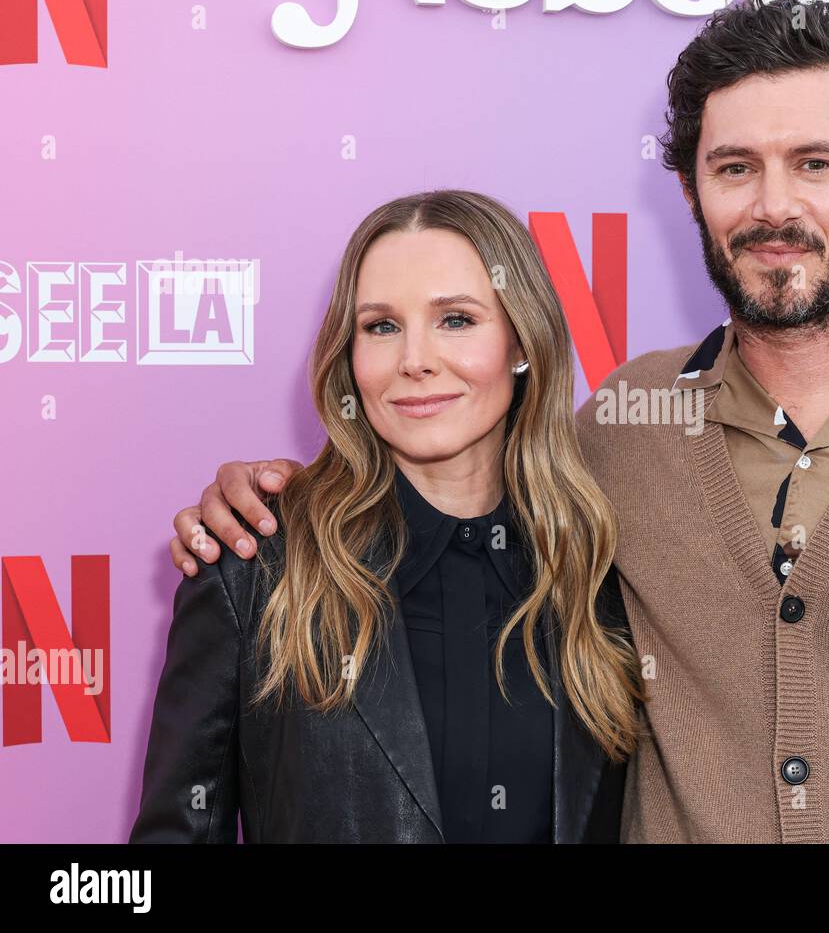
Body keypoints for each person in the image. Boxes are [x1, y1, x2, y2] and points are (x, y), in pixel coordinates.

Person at [166, 0, 829, 843]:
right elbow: (444, 471)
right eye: (733, 166)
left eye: (815, 164)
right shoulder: (621, 431)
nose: (771, 206)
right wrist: (270, 495)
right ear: (693, 190)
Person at [132, 190, 644, 843]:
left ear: (522, 342)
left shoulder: (596, 570)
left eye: (456, 319)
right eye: (381, 326)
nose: (414, 359)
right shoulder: (255, 565)